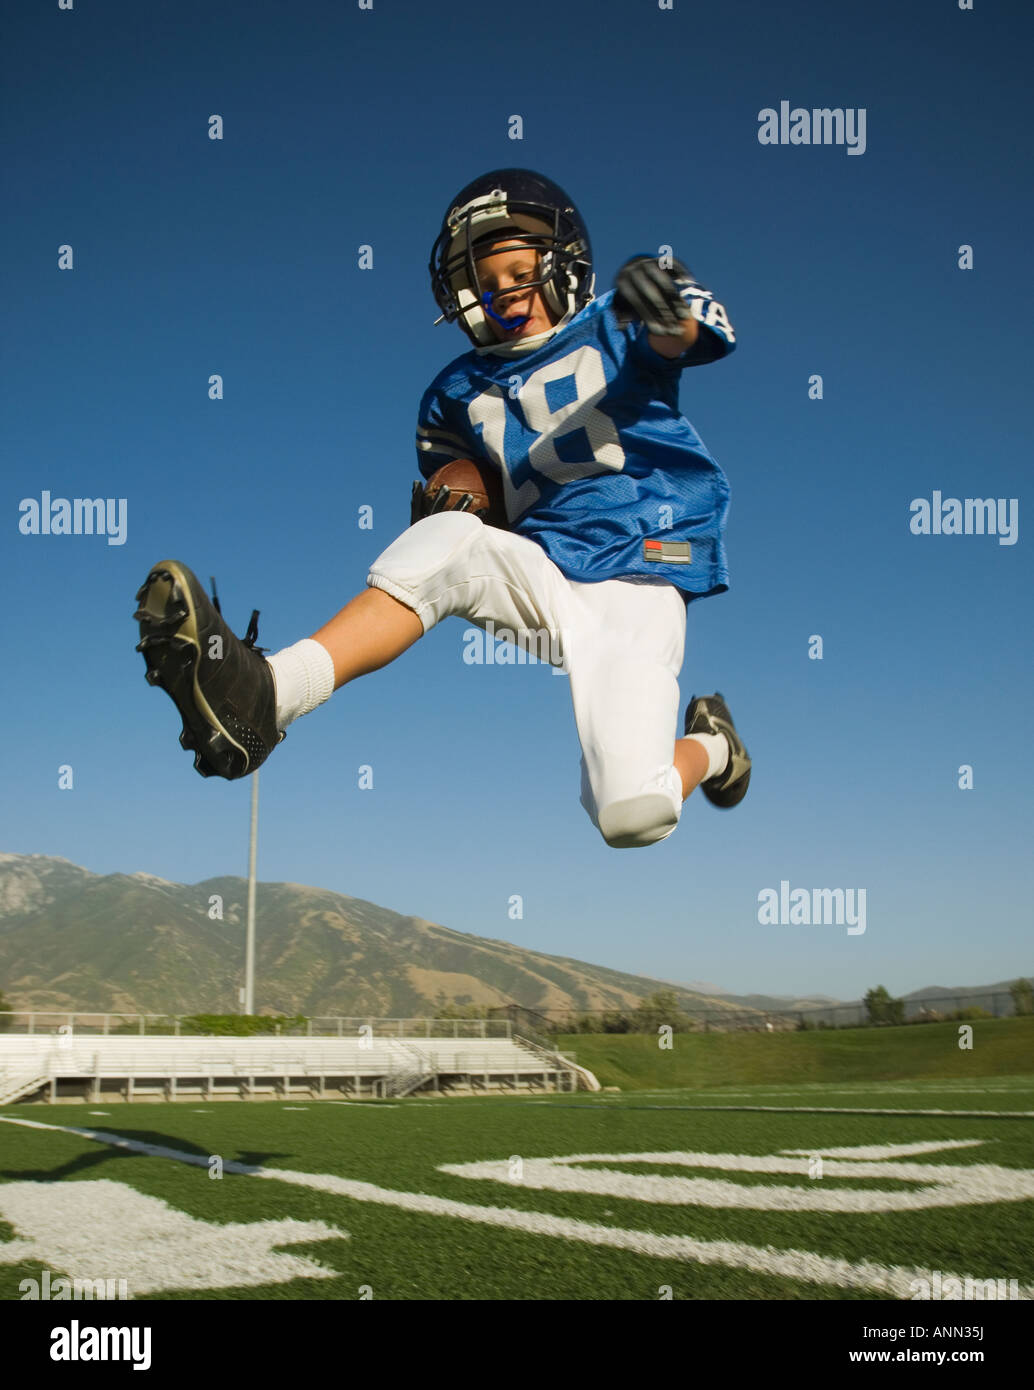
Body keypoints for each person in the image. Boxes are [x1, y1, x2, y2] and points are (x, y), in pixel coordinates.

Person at [134, 168, 750, 849]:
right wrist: (455, 517)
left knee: (632, 815)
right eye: (488, 282)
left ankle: (713, 744)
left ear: (563, 265)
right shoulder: (453, 392)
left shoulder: (614, 322)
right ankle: (267, 695)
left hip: (638, 573)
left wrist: (664, 308)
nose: (506, 294)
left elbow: (691, 337)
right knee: (451, 535)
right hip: (546, 575)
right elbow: (469, 507)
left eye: (521, 270)